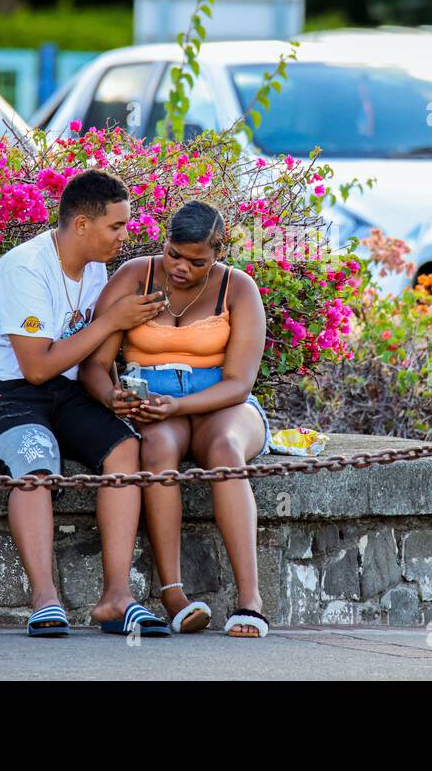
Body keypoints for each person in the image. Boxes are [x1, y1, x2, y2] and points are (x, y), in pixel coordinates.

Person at [0, 169, 172, 638]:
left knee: (125, 448)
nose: (125, 237)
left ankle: (116, 598)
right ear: (82, 225)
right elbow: (37, 367)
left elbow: (76, 364)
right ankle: (45, 600)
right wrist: (111, 323)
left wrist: (111, 394)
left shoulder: (95, 268)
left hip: (53, 389)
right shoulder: (26, 267)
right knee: (35, 452)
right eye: (116, 226)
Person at [81, 200, 275, 638]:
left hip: (222, 405)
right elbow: (94, 364)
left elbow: (239, 383)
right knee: (159, 445)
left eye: (197, 261)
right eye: (174, 254)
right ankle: (174, 596)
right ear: (163, 241)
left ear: (218, 253)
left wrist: (181, 406)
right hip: (154, 403)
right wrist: (113, 397)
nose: (181, 268)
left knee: (225, 449)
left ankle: (250, 601)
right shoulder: (135, 276)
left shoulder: (239, 289)